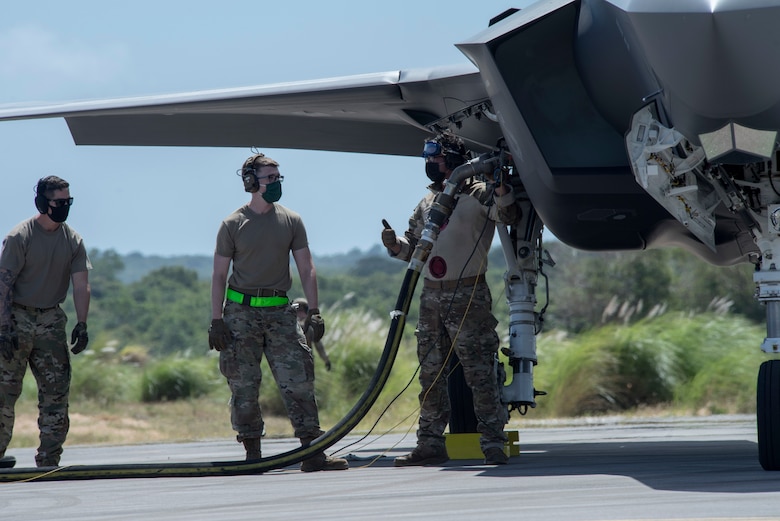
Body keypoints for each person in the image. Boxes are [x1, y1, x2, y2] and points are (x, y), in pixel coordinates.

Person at [381, 133, 518, 466]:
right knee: (431, 374)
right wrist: (394, 245)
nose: (430, 164)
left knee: (479, 372)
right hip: (431, 296)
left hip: (467, 293)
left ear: (454, 161)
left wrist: (498, 184)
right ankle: (429, 442)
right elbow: (415, 250)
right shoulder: (427, 203)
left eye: (436, 157)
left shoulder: (479, 195)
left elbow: (508, 214)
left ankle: (493, 442)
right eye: (428, 157)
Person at [208, 153, 348, 472]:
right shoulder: (232, 224)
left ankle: (312, 452)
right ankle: (253, 454)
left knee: (298, 380)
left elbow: (306, 268)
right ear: (251, 182)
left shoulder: (291, 220)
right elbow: (218, 275)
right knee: (243, 384)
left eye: (278, 177)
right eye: (269, 178)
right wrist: (216, 319)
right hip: (240, 313)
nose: (276, 183)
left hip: (280, 311)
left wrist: (314, 311)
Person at [0, 176, 91, 468]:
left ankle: (49, 458)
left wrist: (82, 323)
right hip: (17, 317)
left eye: (68, 203)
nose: (64, 208)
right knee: (4, 391)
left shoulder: (73, 240)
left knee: (56, 392)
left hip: (51, 320)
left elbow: (81, 285)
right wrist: (3, 327)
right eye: (58, 203)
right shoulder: (20, 236)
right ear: (42, 203)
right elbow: (3, 283)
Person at [292, 298, 332, 371]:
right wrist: (326, 360)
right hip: (303, 362)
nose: (301, 313)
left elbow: (319, 346)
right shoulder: (309, 327)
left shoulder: (289, 326)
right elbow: (319, 347)